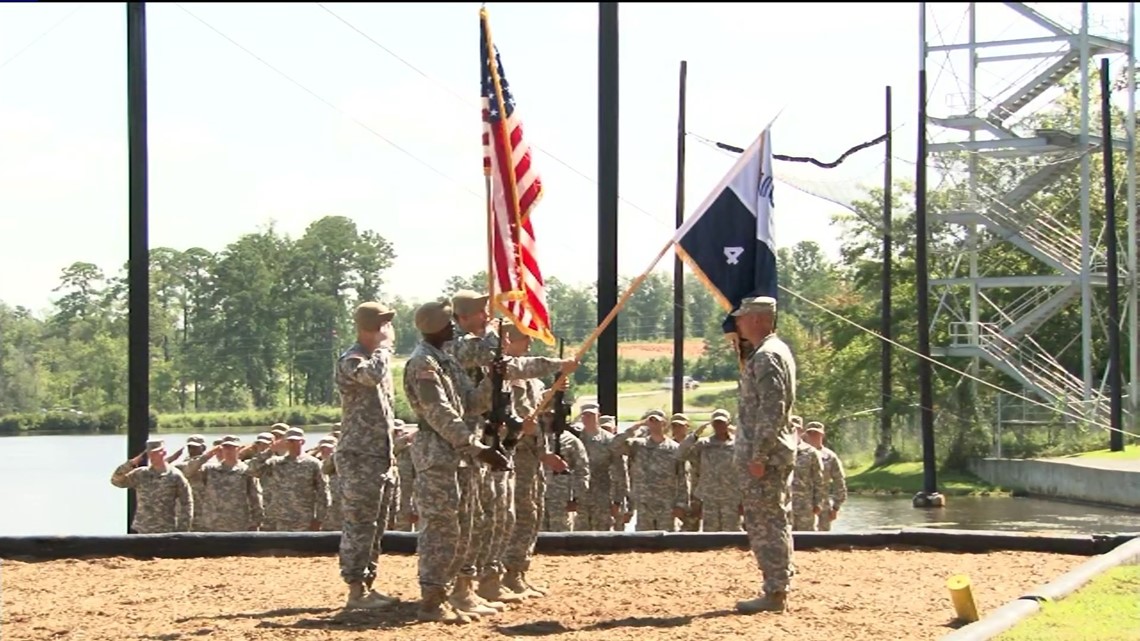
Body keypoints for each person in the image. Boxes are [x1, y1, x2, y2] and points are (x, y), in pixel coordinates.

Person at [402, 300, 509, 624]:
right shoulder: (424, 364)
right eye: (450, 323)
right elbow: (439, 413)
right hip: (438, 455)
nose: (455, 327)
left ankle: (460, 591)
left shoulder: (446, 361)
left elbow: (472, 404)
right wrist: (476, 447)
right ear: (438, 326)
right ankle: (432, 600)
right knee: (441, 528)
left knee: (466, 523)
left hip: (460, 456)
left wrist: (493, 379)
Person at [731, 296, 798, 614]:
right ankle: (777, 585)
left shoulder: (767, 356)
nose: (738, 322)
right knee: (770, 519)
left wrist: (758, 455)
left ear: (758, 319)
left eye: (743, 317)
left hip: (766, 456)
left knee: (766, 522)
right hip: (769, 452)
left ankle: (775, 591)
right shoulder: (771, 352)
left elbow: (772, 409)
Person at [332, 301, 402, 610]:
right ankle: (355, 589)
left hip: (380, 455)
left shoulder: (376, 359)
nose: (386, 330)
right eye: (381, 325)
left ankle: (368, 584)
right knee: (360, 523)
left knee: (376, 525)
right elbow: (369, 376)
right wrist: (385, 349)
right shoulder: (354, 359)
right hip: (359, 456)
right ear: (366, 328)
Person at [111, 439, 193, 533]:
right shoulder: (141, 474)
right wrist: (130, 464)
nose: (151, 456)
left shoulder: (175, 476)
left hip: (166, 530)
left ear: (163, 453)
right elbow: (116, 481)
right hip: (142, 529)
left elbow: (187, 503)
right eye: (149, 453)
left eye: (155, 453)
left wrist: (183, 530)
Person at [803, 422, 847, 531]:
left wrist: (836, 507)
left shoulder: (830, 457)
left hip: (823, 505)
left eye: (816, 433)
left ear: (822, 435)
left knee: (822, 538)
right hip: (801, 504)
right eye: (810, 433)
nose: (813, 436)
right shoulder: (799, 454)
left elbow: (839, 482)